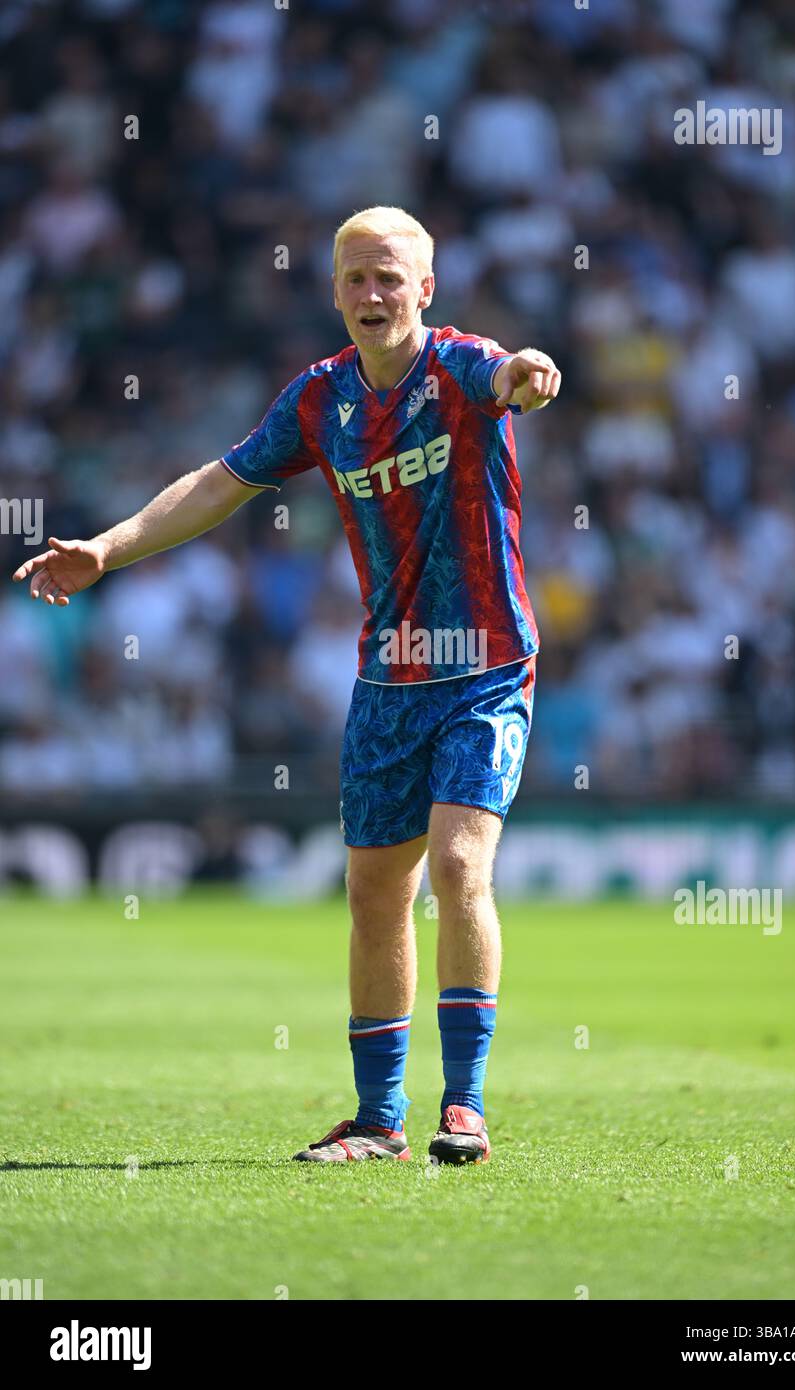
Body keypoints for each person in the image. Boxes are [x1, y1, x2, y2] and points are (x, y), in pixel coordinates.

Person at [12, 206, 560, 1165]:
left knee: (460, 867)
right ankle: (379, 1120)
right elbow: (221, 482)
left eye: (390, 277)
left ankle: (463, 1107)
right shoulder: (321, 399)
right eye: (355, 278)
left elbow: (507, 366)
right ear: (335, 290)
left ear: (424, 289)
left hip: (482, 665)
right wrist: (106, 546)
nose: (372, 293)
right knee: (373, 893)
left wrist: (527, 371)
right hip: (388, 678)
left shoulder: (462, 365)